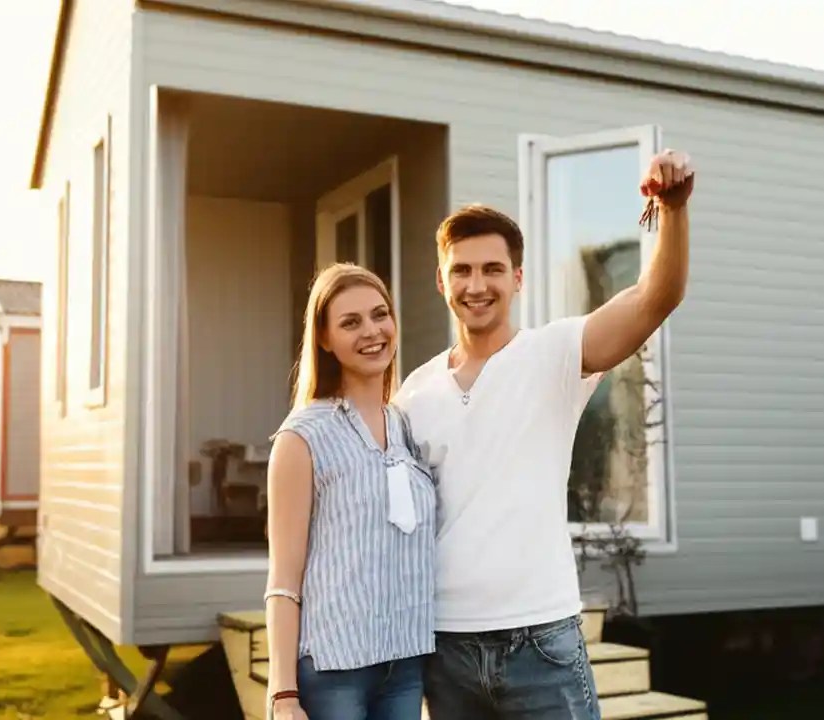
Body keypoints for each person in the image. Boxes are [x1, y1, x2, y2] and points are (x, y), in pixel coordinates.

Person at [394, 149, 695, 719]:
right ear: (441, 280)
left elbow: (656, 297)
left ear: (518, 278)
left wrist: (673, 210)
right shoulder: (414, 393)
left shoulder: (555, 353)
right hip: (445, 648)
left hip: (541, 643)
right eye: (461, 270)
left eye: (492, 269)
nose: (476, 284)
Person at [263, 263, 438, 720]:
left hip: (405, 665)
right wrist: (283, 695)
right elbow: (283, 582)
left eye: (380, 315)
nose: (372, 331)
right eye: (350, 322)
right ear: (324, 339)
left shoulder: (406, 427)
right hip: (333, 673)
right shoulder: (302, 437)